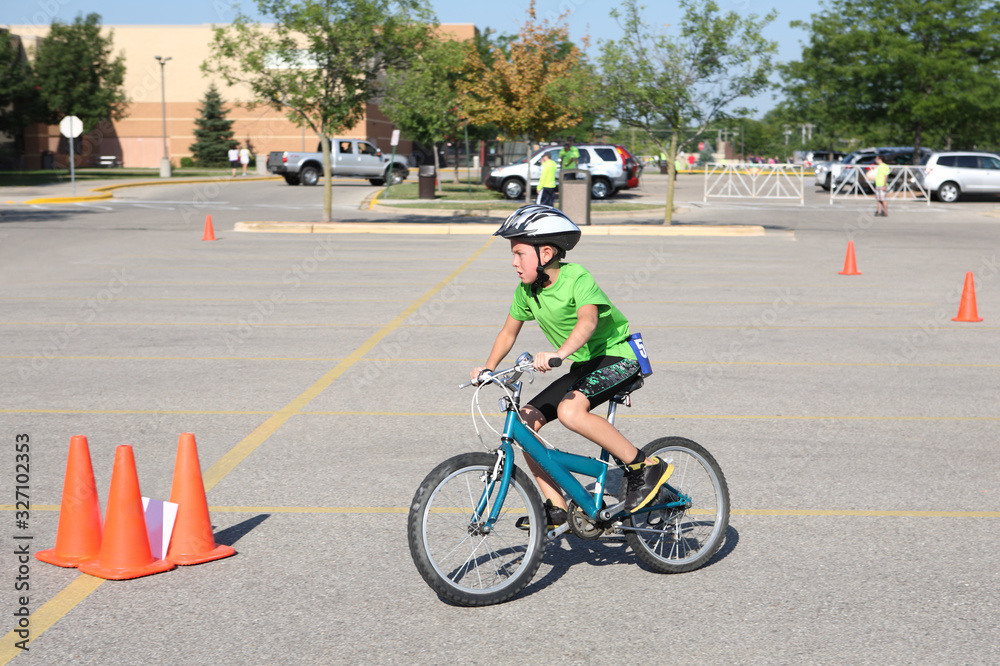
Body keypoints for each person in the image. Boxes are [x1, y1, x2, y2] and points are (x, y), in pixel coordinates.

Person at [470, 205, 674, 530]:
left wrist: (559, 355)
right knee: (524, 423)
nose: (513, 262)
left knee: (570, 412)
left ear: (546, 252)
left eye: (519, 254)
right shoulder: (527, 292)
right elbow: (508, 332)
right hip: (583, 363)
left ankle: (643, 466)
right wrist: (488, 368)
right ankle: (555, 506)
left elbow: (588, 321)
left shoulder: (576, 277)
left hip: (619, 356)